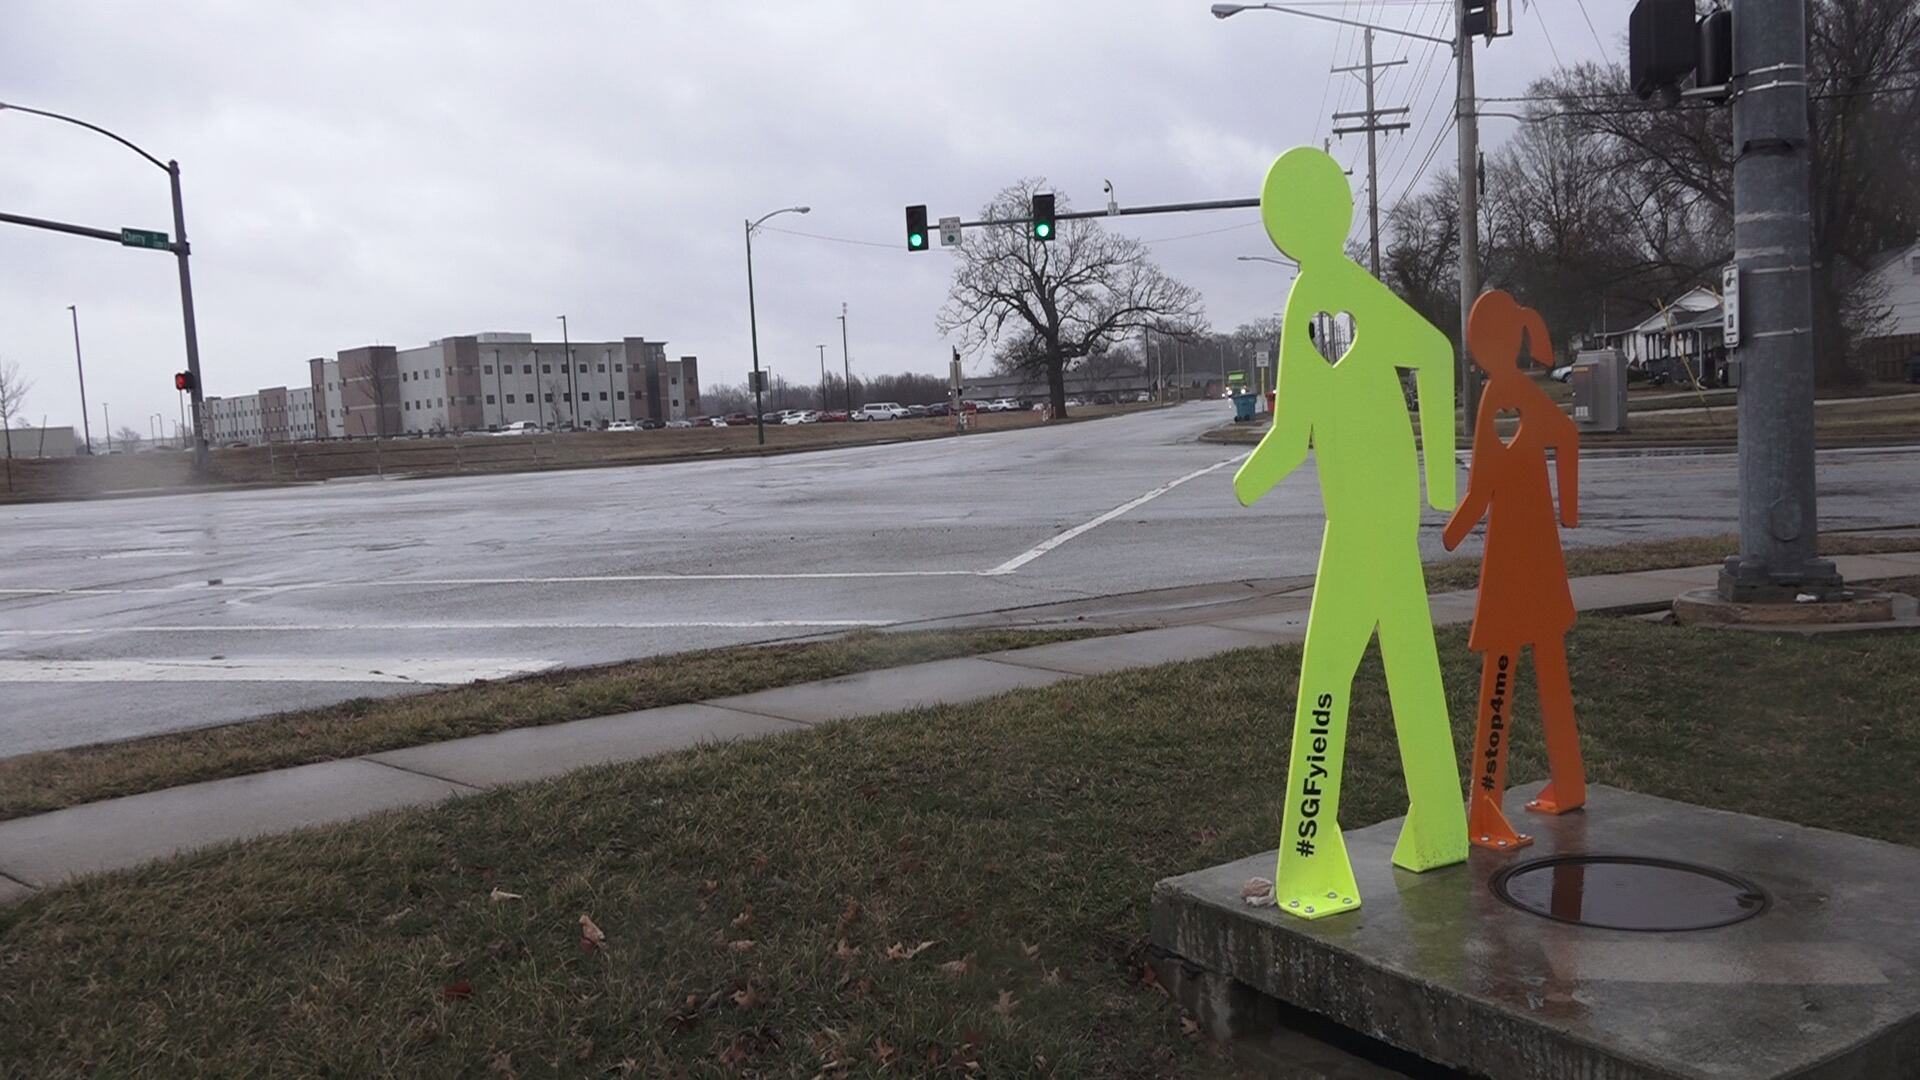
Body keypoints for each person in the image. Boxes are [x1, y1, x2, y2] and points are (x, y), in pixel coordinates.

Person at [1234, 146, 1467, 919]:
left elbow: (1296, 428)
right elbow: (1426, 357)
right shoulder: (1335, 298)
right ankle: (1439, 825)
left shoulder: (1319, 299)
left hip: (1368, 522)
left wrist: (1443, 482)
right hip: (1386, 515)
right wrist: (1435, 486)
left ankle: (1310, 858)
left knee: (1328, 675)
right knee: (1409, 662)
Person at [1442, 290, 1587, 851]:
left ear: (1482, 347)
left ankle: (1486, 808)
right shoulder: (1526, 394)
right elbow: (1568, 438)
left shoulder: (1495, 400)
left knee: (1501, 668)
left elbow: (1482, 489)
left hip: (1509, 558)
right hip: (1542, 553)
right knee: (1549, 660)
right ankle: (1568, 783)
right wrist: (1566, 512)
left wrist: (1450, 535)